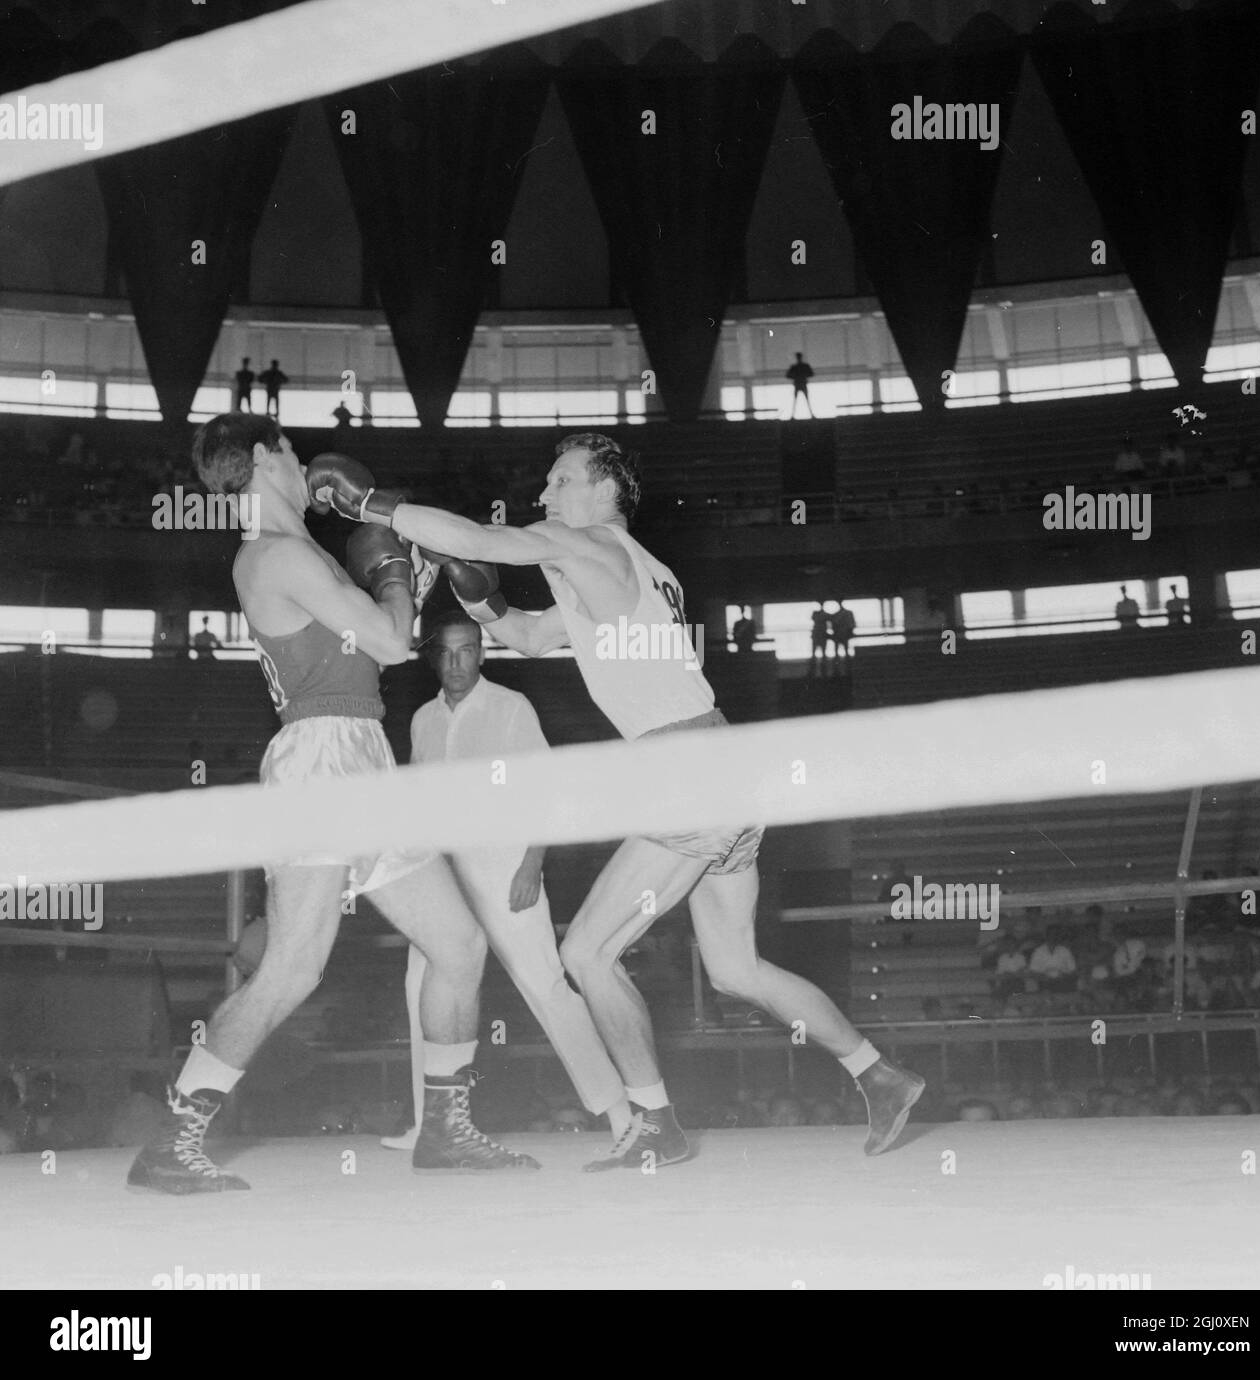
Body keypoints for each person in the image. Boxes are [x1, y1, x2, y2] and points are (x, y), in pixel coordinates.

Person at [308, 433, 925, 1170]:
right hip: (718, 763)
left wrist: (371, 507)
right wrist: (464, 577)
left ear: (605, 491)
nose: (544, 494)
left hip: (687, 772)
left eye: (560, 479)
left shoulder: (592, 544)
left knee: (586, 951)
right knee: (735, 968)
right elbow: (528, 635)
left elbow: (482, 537)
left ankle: (656, 1123)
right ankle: (879, 1075)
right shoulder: (628, 570)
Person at [128, 414, 537, 1195]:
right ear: (260, 458)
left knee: (458, 945)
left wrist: (404, 584)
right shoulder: (274, 555)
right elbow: (388, 645)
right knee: (291, 968)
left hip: (361, 754)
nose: (302, 460)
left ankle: (446, 1130)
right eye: (287, 448)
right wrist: (391, 580)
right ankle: (171, 1140)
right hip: (320, 761)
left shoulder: (301, 553)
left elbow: (382, 637)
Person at [380, 611, 631, 1152]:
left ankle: (619, 1113)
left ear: (482, 652)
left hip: (503, 867)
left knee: (545, 984)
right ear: (432, 658)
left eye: (467, 650)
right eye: (445, 652)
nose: (456, 663)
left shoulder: (510, 707)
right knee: (419, 988)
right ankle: (432, 1123)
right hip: (441, 874)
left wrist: (531, 865)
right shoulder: (422, 719)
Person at [785, 353, 814, 419]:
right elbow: (811, 374)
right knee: (805, 400)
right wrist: (803, 375)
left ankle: (792, 415)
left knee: (797, 400)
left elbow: (788, 375)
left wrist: (796, 376)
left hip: (798, 384)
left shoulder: (795, 367)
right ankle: (811, 414)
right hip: (802, 384)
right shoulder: (803, 366)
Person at [830, 598, 855, 672]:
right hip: (844, 634)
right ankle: (847, 668)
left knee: (838, 652)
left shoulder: (836, 614)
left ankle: (838, 669)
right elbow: (851, 624)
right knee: (845, 652)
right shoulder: (847, 613)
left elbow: (833, 625)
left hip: (839, 635)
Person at [809, 601, 830, 674]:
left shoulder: (816, 614)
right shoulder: (825, 614)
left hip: (818, 634)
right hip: (821, 635)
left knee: (815, 653)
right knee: (821, 653)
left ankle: (814, 670)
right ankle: (823, 670)